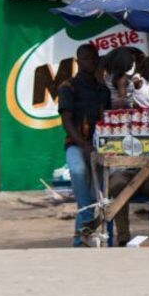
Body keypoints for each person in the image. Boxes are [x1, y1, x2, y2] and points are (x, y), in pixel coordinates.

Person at [58, 44, 112, 246]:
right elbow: (66, 120)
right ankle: (83, 237)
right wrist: (83, 144)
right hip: (75, 145)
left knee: (93, 193)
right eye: (86, 58)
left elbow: (106, 120)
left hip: (99, 147)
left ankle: (80, 239)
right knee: (79, 171)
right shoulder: (68, 87)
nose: (91, 62)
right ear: (78, 61)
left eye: (94, 58)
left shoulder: (103, 91)